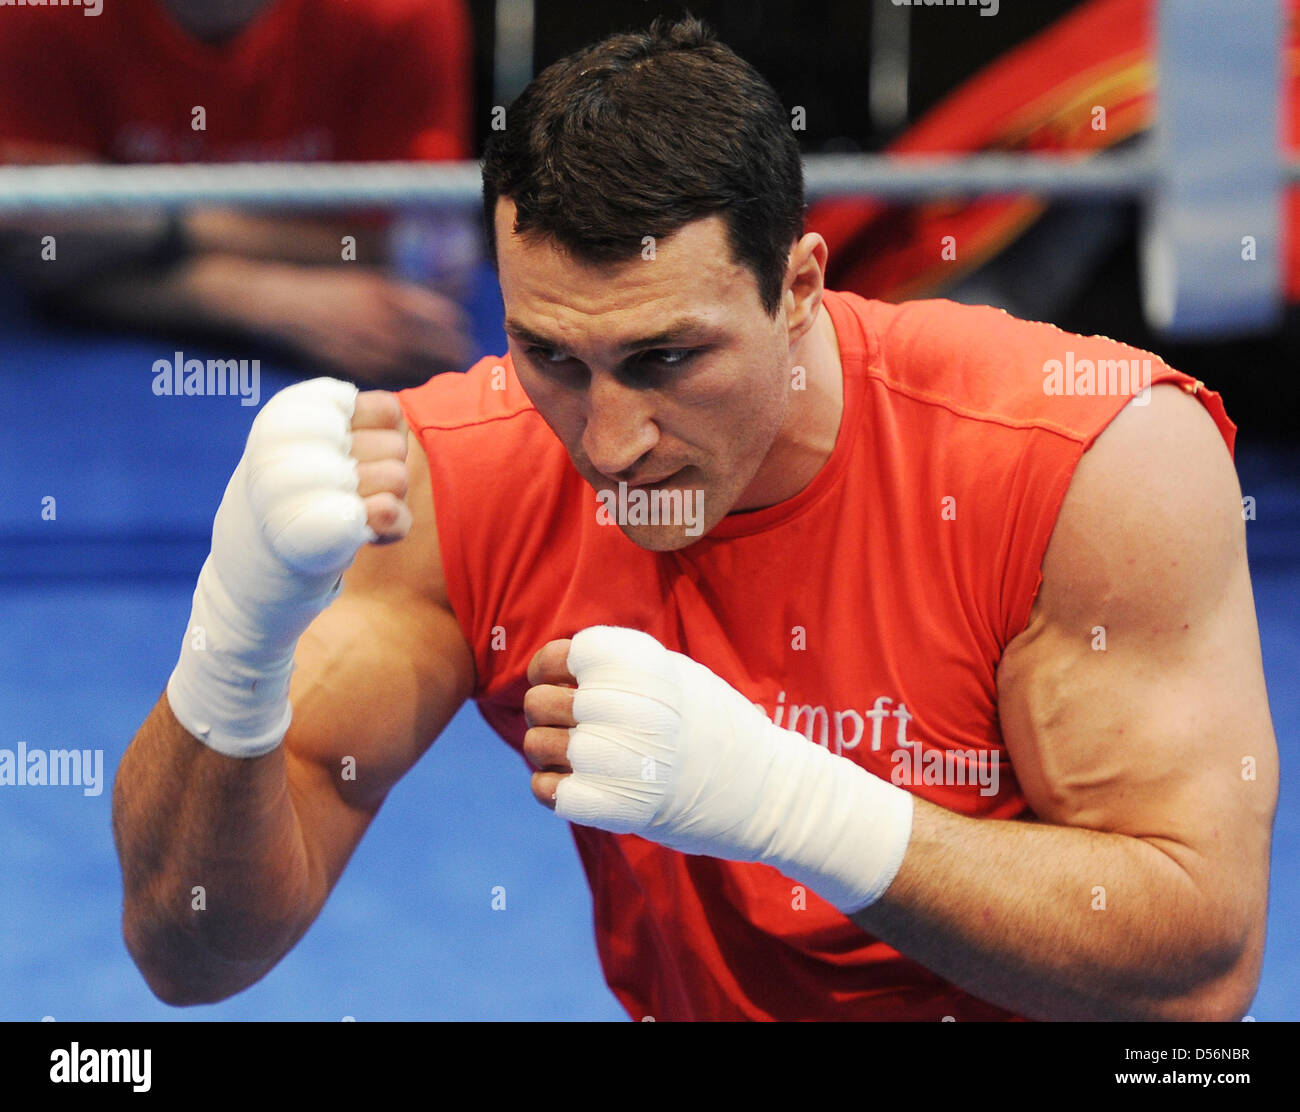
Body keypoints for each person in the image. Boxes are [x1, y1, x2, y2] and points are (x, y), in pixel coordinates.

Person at [112, 16, 1278, 1021]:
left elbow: (1198, 970)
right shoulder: (463, 475)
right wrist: (238, 635)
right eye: (551, 355)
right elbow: (191, 951)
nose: (610, 442)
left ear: (802, 284)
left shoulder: (1081, 457)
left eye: (666, 356)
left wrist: (794, 804)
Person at [0, 0, 477, 387]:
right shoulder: (40, 12)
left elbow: (406, 251)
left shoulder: (402, 13)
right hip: (73, 373)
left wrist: (145, 222)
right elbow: (41, 253)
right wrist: (269, 299)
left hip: (342, 378)